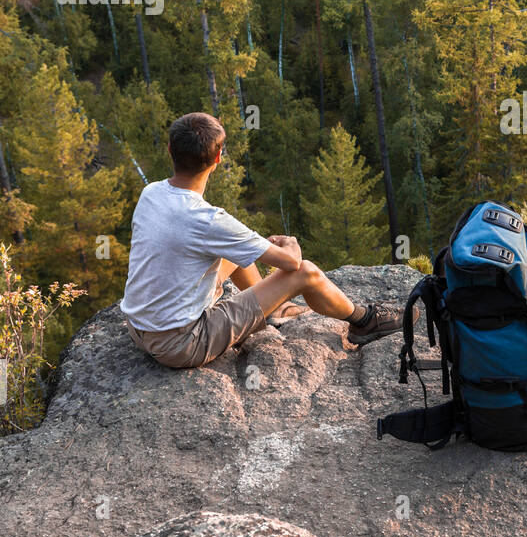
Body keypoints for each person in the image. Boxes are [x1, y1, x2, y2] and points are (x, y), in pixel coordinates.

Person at [120, 112, 406, 368]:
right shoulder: (206, 219)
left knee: (237, 250)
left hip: (139, 329)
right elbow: (292, 262)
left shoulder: (151, 193)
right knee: (305, 271)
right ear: (218, 158)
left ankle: (273, 309)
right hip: (182, 345)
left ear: (170, 149)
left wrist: (252, 245)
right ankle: (364, 321)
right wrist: (291, 242)